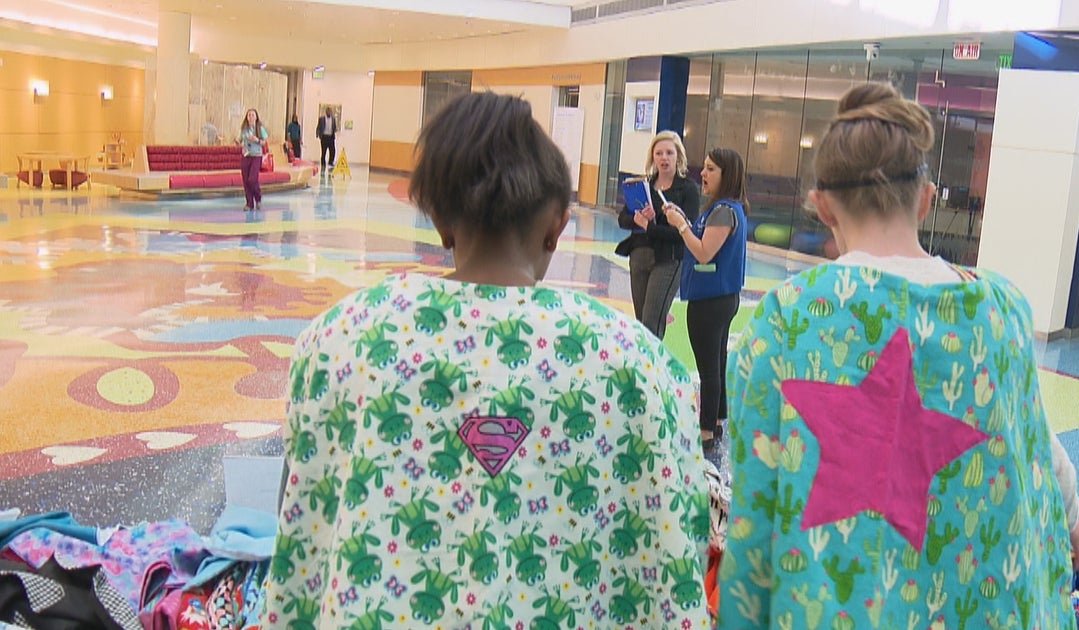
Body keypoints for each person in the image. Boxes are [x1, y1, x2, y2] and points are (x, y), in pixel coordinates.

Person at [264, 91, 712, 629]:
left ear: (439, 220)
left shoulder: (339, 344)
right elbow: (677, 547)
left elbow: (302, 531)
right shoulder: (643, 366)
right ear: (558, 225)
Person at [718, 82, 1079, 629]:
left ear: (822, 206)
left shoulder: (783, 320)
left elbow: (756, 499)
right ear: (926, 198)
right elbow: (1036, 448)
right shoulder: (1001, 310)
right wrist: (1070, 519)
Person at [663, 148, 747, 461]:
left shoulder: (724, 211)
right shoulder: (725, 209)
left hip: (711, 299)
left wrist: (680, 225)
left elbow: (703, 252)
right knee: (717, 362)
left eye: (711, 169)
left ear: (727, 175)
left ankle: (706, 431)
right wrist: (684, 220)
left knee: (708, 367)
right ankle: (718, 419)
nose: (703, 173)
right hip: (720, 297)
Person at [615, 131, 700, 338]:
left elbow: (683, 233)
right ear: (652, 157)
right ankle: (643, 358)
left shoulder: (688, 189)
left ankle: (652, 358)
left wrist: (650, 226)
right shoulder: (644, 186)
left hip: (668, 259)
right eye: (659, 153)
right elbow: (623, 219)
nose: (664, 158)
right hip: (639, 255)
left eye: (669, 153)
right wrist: (639, 219)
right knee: (641, 323)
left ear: (678, 156)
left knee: (651, 322)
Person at [238, 108, 267, 211]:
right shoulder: (244, 129)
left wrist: (257, 140)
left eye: (252, 115)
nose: (250, 117)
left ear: (256, 117)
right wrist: (238, 142)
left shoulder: (260, 128)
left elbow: (264, 142)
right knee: (246, 180)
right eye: (249, 115)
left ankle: (258, 198)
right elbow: (240, 140)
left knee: (252, 179)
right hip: (246, 155)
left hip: (256, 156)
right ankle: (249, 203)